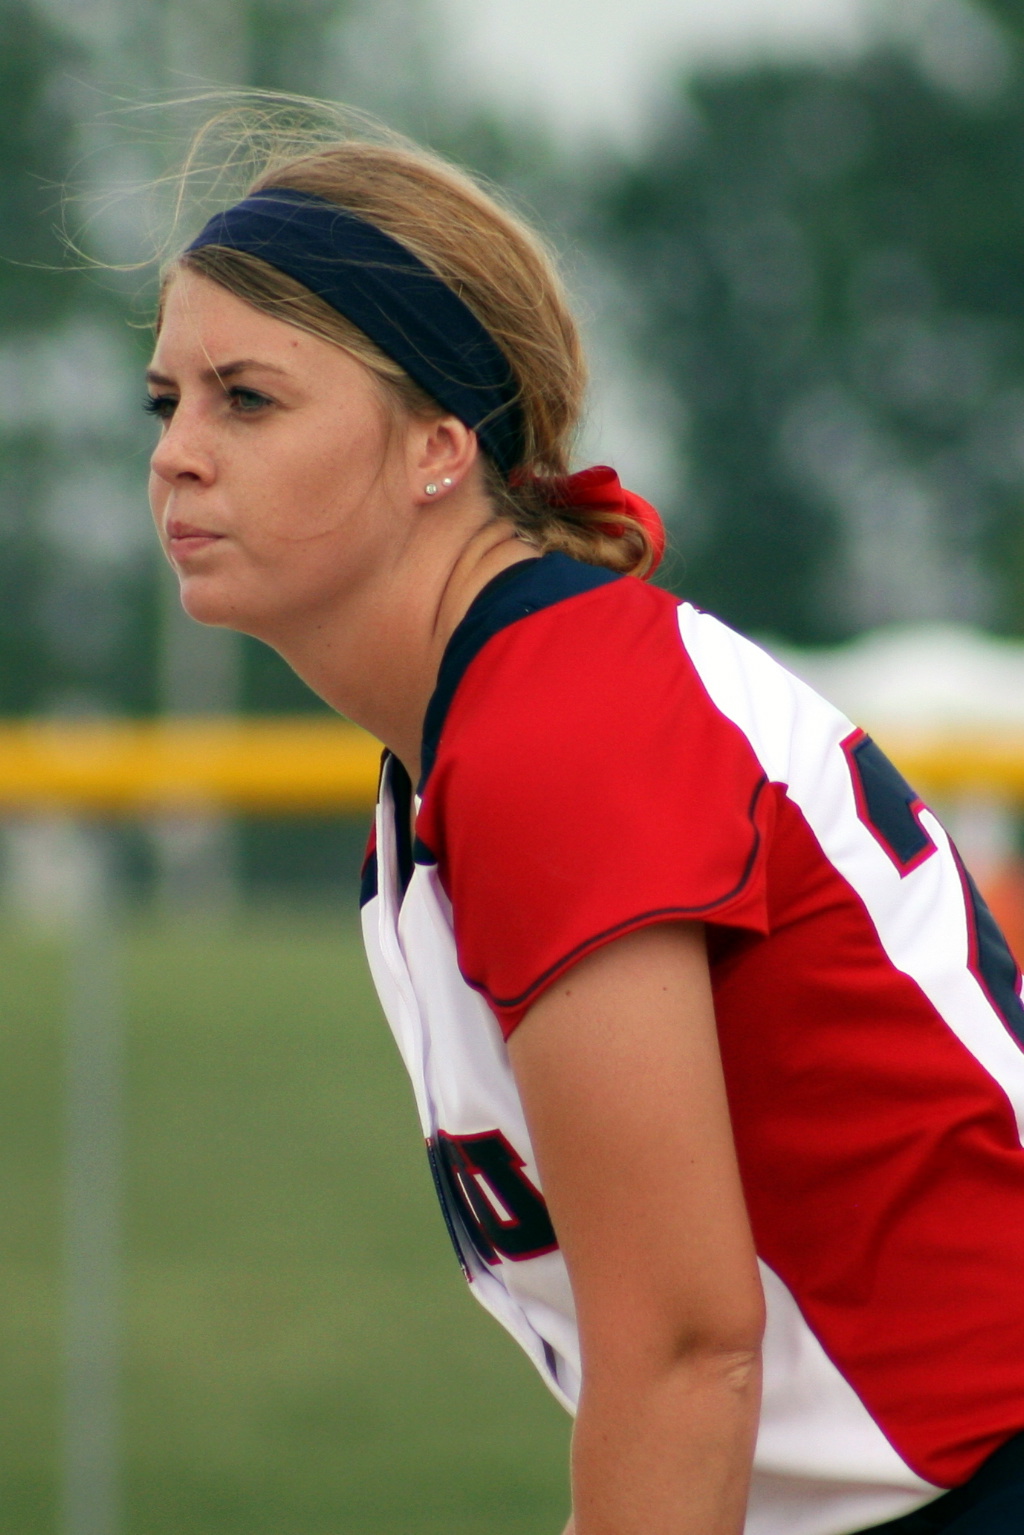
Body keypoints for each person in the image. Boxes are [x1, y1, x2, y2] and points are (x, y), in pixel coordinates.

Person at [144, 104, 1024, 1535]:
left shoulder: (552, 732)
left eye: (248, 398)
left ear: (441, 446)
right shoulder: (475, 727)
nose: (180, 451)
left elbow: (687, 1355)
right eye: (165, 399)